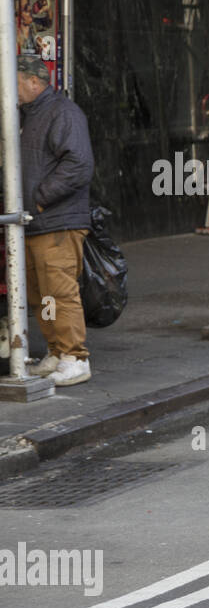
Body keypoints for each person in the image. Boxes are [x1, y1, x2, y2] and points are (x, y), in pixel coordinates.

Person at [17, 55, 94, 386]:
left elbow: (79, 164)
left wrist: (40, 197)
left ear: (35, 82)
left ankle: (74, 357)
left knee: (59, 291)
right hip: (37, 221)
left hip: (57, 220)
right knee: (42, 294)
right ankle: (56, 351)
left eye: (16, 82)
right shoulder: (31, 115)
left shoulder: (63, 113)